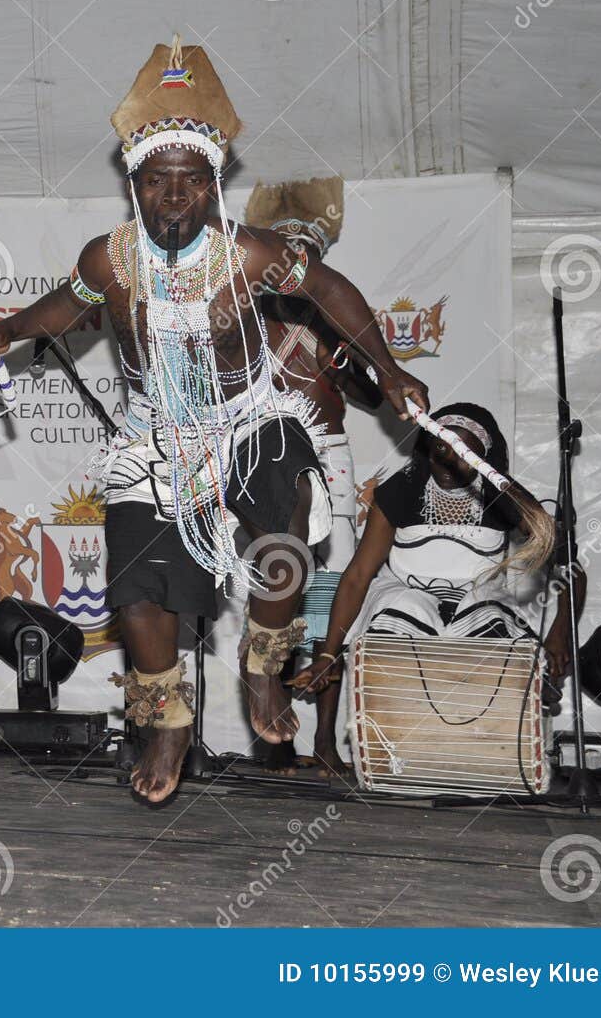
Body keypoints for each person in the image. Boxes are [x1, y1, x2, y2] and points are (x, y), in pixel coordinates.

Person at [0, 37, 428, 803]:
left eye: (189, 182)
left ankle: (262, 660)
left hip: (247, 418)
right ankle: (167, 713)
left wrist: (387, 365)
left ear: (213, 187)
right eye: (157, 181)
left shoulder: (251, 255)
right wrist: (8, 329)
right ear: (135, 185)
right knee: (135, 577)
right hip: (156, 434)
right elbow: (67, 308)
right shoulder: (108, 261)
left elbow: (332, 292)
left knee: (289, 498)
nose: (173, 197)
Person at [293, 404, 579, 773]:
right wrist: (329, 656)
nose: (449, 461)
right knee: (401, 609)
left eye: (465, 452)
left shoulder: (501, 496)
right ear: (428, 447)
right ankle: (394, 751)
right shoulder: (402, 489)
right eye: (442, 448)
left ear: (483, 456)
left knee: (490, 614)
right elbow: (358, 576)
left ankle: (479, 750)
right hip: (408, 592)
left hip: (476, 596)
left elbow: (570, 567)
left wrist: (559, 634)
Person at [246, 176, 382, 776]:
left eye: (308, 256)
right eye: (289, 254)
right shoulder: (244, 317)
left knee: (330, 601)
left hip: (329, 452)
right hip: (267, 454)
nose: (296, 264)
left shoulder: (336, 316)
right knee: (277, 586)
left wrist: (352, 364)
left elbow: (372, 398)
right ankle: (274, 742)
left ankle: (326, 742)